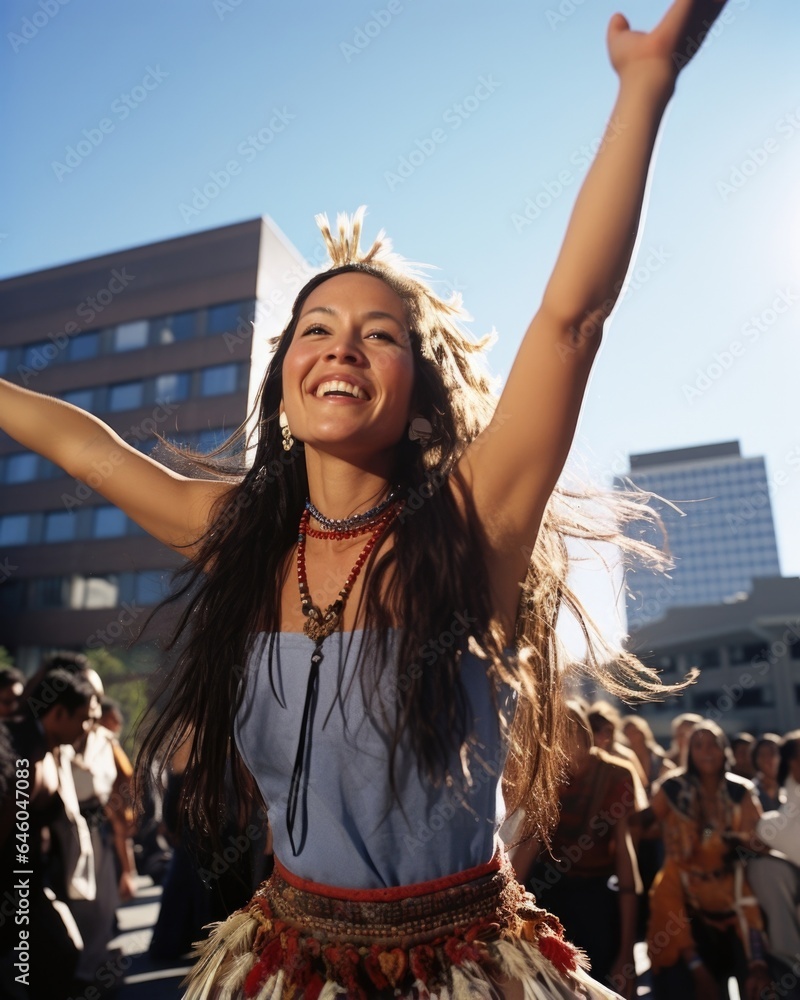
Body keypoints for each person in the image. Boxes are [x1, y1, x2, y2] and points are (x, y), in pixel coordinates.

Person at [0, 3, 737, 996]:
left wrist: (645, 86)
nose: (343, 344)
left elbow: (570, 321)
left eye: (379, 332)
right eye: (316, 327)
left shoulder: (468, 529)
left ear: (419, 392)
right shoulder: (242, 540)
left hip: (459, 966)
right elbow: (85, 446)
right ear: (283, 379)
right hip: (285, 958)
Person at [512, 703, 646, 998]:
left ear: (585, 734)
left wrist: (626, 953)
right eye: (554, 736)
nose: (561, 744)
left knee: (598, 983)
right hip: (546, 892)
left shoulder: (616, 774)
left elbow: (625, 856)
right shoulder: (546, 773)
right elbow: (530, 841)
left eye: (568, 734)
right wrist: (508, 904)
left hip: (595, 896)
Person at [646, 721, 770, 1000]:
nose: (707, 751)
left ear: (723, 748)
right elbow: (644, 824)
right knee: (683, 981)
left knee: (760, 980)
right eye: (698, 744)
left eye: (713, 743)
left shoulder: (742, 790)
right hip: (685, 890)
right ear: (689, 752)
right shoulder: (672, 788)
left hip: (735, 890)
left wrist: (733, 842)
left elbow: (759, 840)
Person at [0, 669, 97, 1000]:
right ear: (58, 714)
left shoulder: (49, 745)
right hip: (14, 880)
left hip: (33, 878)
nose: (87, 729)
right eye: (83, 719)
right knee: (56, 955)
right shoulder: (26, 753)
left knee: (59, 955)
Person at [746, 730, 800, 992]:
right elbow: (713, 830)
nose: (771, 759)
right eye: (764, 753)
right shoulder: (747, 792)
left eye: (774, 752)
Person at [750, 734, 784, 812]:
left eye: (772, 753)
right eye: (762, 755)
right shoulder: (751, 790)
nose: (768, 759)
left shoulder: (791, 787)